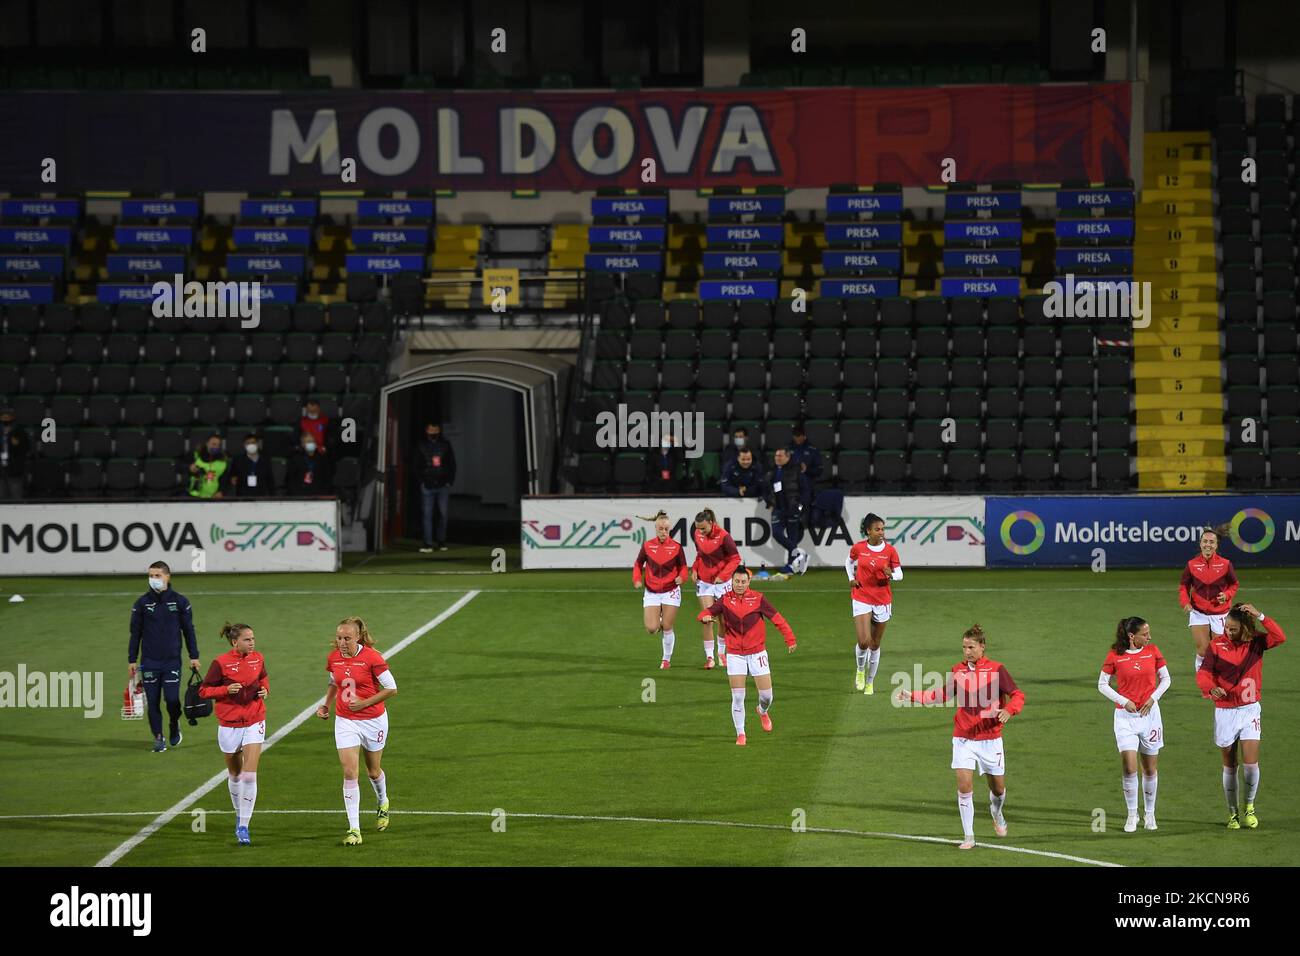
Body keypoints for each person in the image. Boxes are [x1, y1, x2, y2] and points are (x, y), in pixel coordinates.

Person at [896, 624, 1024, 850]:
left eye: (971, 647)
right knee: (964, 786)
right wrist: (912, 695)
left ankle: (997, 812)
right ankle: (969, 836)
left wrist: (1009, 710)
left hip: (990, 739)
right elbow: (940, 695)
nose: (967, 652)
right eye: (964, 647)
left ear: (982, 647)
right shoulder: (958, 671)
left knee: (998, 790)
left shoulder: (996, 670)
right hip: (963, 738)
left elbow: (1017, 695)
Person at [1196, 603, 1286, 830]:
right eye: (1227, 628)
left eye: (1233, 629)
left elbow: (1280, 636)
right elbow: (1204, 673)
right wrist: (1210, 688)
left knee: (1251, 764)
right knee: (1229, 765)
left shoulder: (1256, 642)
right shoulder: (1216, 646)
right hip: (1225, 712)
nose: (1228, 632)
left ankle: (1249, 807)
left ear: (1245, 627)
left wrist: (1261, 615)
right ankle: (1232, 813)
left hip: (1249, 710)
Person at [316, 617, 397, 846]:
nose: (341, 642)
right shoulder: (333, 658)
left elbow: (391, 688)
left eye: (347, 638)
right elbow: (334, 682)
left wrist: (364, 703)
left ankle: (383, 802)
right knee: (350, 772)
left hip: (373, 720)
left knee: (373, 771)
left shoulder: (372, 657)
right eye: (339, 638)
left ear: (358, 637)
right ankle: (354, 829)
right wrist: (326, 705)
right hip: (345, 721)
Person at [699, 566, 796, 745]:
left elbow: (777, 618)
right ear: (732, 582)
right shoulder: (725, 600)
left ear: (749, 582)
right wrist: (703, 617)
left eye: (743, 582)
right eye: (737, 581)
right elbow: (708, 611)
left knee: (767, 696)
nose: (740, 585)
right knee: (737, 697)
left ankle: (762, 711)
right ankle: (741, 733)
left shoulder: (759, 599)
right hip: (735, 654)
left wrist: (789, 638)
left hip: (757, 652)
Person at [198, 622, 268, 846]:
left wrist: (266, 689)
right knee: (236, 775)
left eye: (253, 639)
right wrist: (225, 690)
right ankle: (240, 813)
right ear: (234, 641)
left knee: (249, 775)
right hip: (229, 724)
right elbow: (204, 691)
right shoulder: (221, 663)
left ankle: (244, 826)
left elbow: (263, 678)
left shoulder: (258, 658)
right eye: (247, 639)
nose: (252, 643)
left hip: (254, 720)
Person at [1098, 616, 1170, 832]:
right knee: (1129, 768)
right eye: (1145, 634)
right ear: (1132, 636)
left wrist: (1153, 698)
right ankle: (1132, 815)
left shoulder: (1153, 651)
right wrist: (1123, 701)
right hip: (1125, 719)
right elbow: (1102, 684)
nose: (1149, 637)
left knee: (1150, 769)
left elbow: (1166, 679)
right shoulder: (1115, 655)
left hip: (1150, 717)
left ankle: (1149, 814)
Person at [127, 561, 200, 752]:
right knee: (152, 701)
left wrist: (194, 656)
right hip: (149, 662)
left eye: (157, 575)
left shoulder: (180, 602)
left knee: (172, 700)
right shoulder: (141, 604)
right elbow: (135, 634)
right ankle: (158, 737)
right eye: (151, 576)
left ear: (168, 577)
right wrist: (132, 659)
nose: (153, 579)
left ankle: (174, 724)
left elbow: (188, 630)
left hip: (171, 661)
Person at [846, 513, 902, 694]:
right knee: (863, 641)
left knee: (875, 644)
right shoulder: (858, 548)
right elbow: (848, 561)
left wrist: (891, 574)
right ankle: (860, 670)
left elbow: (900, 574)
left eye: (883, 529)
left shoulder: (890, 550)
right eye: (877, 529)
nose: (881, 532)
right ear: (868, 531)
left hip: (882, 600)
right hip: (861, 596)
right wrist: (851, 577)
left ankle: (870, 682)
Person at [1179, 524, 1239, 679]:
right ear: (1200, 543)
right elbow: (1184, 585)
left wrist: (1227, 595)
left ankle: (1219, 678)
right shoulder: (1192, 564)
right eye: (1205, 541)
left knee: (1220, 649)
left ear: (1216, 545)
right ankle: (1203, 681)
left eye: (1211, 542)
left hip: (1220, 613)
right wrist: (1185, 601)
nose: (1208, 544)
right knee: (1203, 650)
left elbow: (1234, 584)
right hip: (1198, 613)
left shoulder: (1225, 564)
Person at [632, 510, 688, 669]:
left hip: (671, 591)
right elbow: (638, 564)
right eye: (660, 529)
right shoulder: (648, 546)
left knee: (668, 627)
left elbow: (683, 567)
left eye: (666, 529)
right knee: (651, 629)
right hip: (652, 592)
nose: (663, 532)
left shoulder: (677, 547)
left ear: (670, 529)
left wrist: (681, 578)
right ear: (655, 529)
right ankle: (660, 618)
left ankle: (666, 659)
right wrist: (636, 579)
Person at [691, 508, 741, 669]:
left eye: (703, 528)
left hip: (722, 583)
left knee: (724, 621)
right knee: (707, 620)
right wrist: (694, 569)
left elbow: (735, 558)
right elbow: (700, 555)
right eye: (698, 528)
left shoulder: (724, 537)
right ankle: (710, 658)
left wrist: (723, 575)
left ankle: (722, 653)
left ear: (711, 523)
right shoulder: (697, 534)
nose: (700, 531)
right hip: (704, 583)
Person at [766, 447, 810, 574]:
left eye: (780, 456)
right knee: (776, 533)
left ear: (787, 457)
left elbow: (805, 490)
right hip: (778, 509)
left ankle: (791, 566)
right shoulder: (773, 471)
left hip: (792, 509)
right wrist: (770, 501)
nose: (777, 458)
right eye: (776, 456)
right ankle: (800, 556)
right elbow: (767, 488)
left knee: (792, 538)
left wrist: (800, 505)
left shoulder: (796, 470)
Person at [414, 421, 456, 552]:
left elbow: (452, 464)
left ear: (439, 432)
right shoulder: (421, 446)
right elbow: (415, 466)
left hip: (443, 485)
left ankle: (441, 541)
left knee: (443, 514)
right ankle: (427, 543)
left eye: (435, 432)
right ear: (426, 431)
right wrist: (421, 482)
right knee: (427, 515)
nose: (433, 434)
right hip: (427, 485)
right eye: (431, 432)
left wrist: (449, 481)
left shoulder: (446, 445)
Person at [226, 433, 274, 497]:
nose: (251, 445)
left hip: (261, 494)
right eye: (248, 443)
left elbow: (270, 479)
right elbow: (232, 475)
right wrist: (232, 478)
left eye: (253, 442)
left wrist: (272, 495)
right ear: (244, 445)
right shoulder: (237, 460)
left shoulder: (265, 460)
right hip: (242, 495)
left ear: (257, 444)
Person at [285, 431, 333, 495]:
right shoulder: (295, 459)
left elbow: (327, 479)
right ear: (302, 444)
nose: (311, 444)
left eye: (313, 441)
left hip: (319, 496)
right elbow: (290, 479)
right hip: (299, 496)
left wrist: (323, 494)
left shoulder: (322, 459)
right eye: (308, 442)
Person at [0, 405, 30, 499]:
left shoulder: (20, 433)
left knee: (16, 499)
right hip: (0, 470)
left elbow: (25, 450)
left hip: (14, 471)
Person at [187, 433, 228, 499]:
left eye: (218, 445)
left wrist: (221, 491)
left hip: (213, 498)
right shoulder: (195, 456)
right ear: (207, 443)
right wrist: (189, 467)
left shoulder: (223, 462)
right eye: (213, 444)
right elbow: (179, 467)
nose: (216, 447)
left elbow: (224, 480)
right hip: (194, 496)